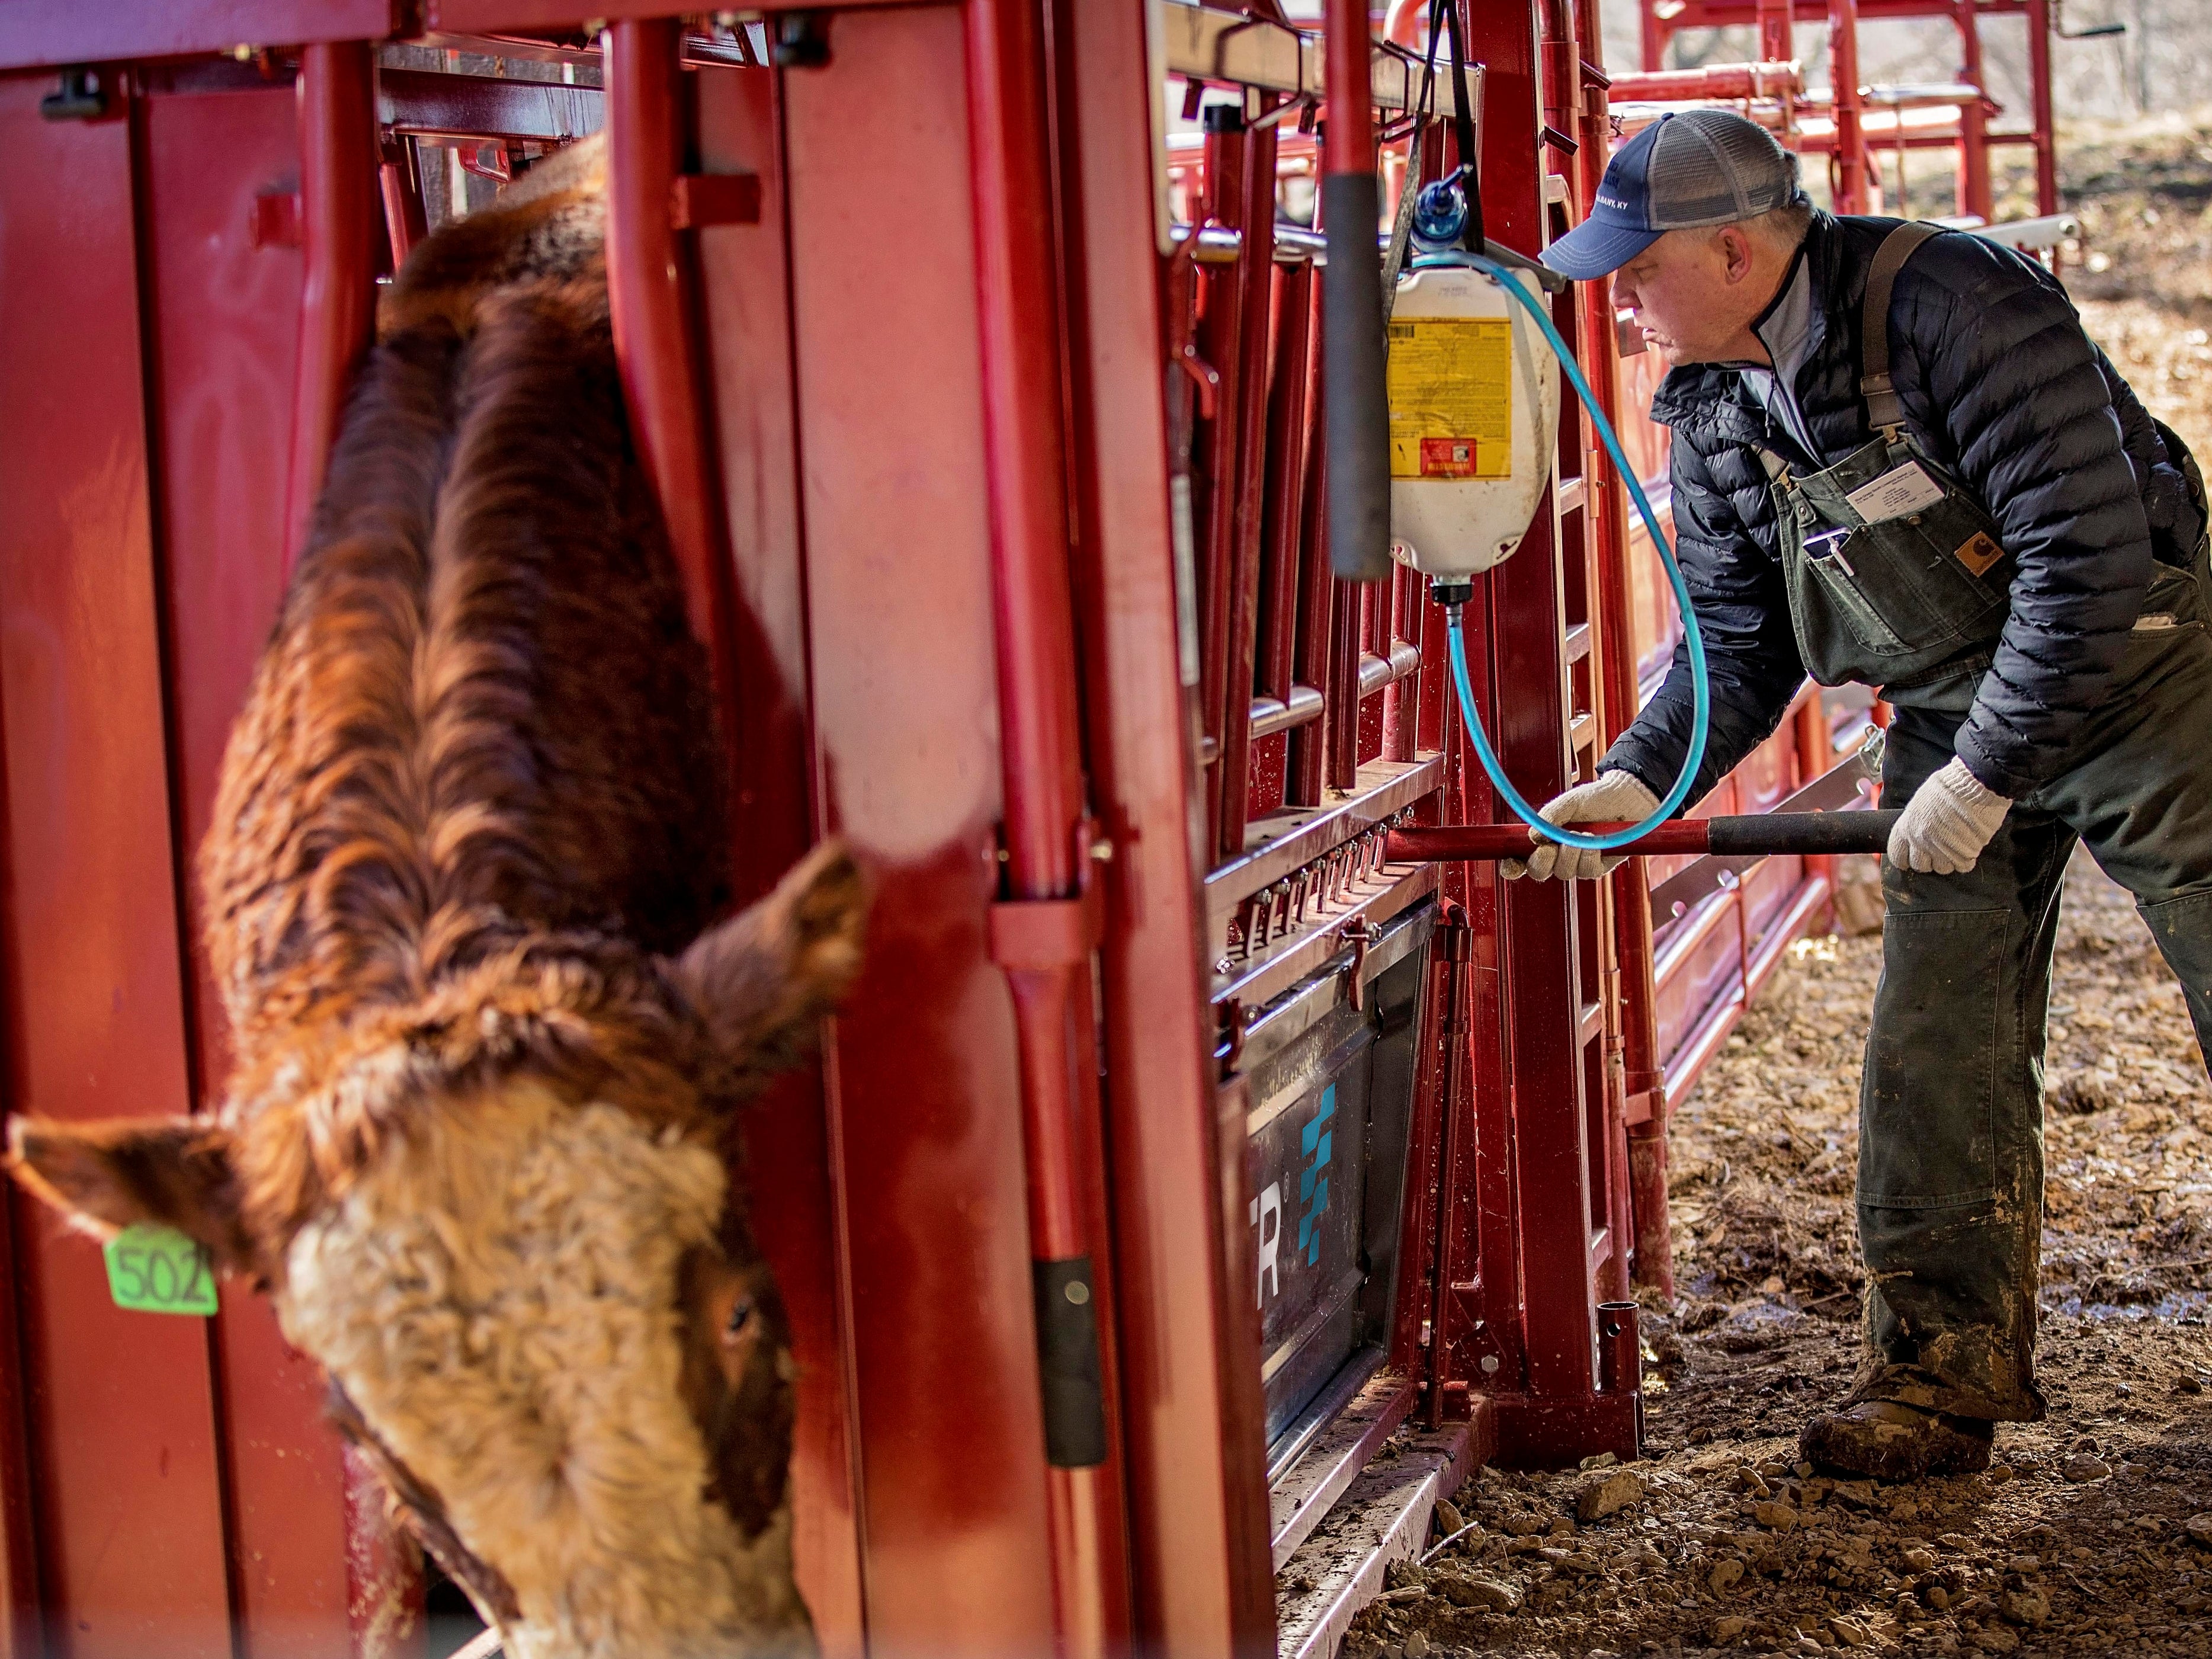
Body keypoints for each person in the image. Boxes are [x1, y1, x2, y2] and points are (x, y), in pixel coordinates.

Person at [1531, 108, 2212, 1479]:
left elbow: (2084, 556)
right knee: (1931, 1033)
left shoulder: (1955, 304)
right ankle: (1938, 1369)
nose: (1621, 299)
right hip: (1959, 698)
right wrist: (1634, 774)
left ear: (1731, 249)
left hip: (2136, 673)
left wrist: (1980, 775)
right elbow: (1738, 638)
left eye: (1639, 268)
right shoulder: (1716, 399)